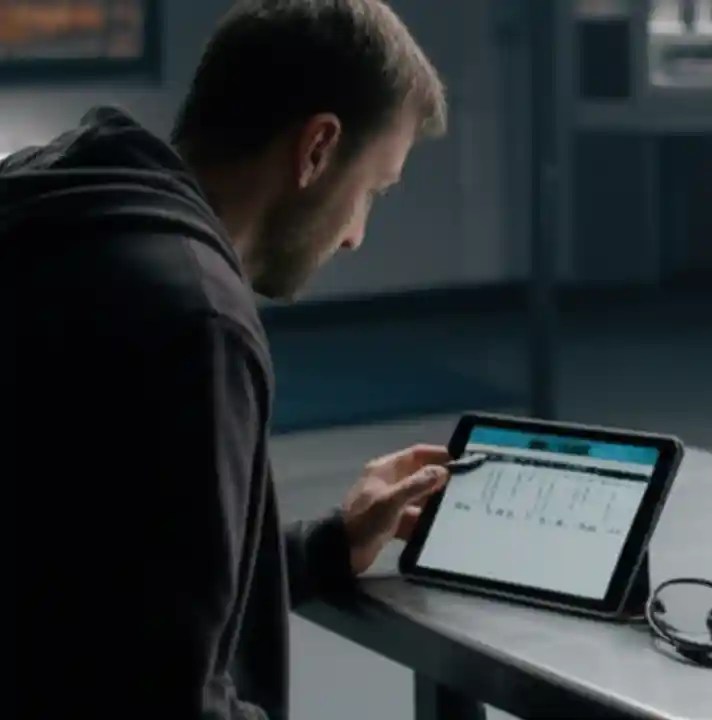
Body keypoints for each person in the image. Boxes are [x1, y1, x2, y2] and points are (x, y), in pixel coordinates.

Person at [2, 1, 454, 717]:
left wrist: (326, 547)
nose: (355, 236)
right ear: (317, 149)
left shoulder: (53, 210)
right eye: (372, 191)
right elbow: (168, 698)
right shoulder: (195, 320)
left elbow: (94, 583)